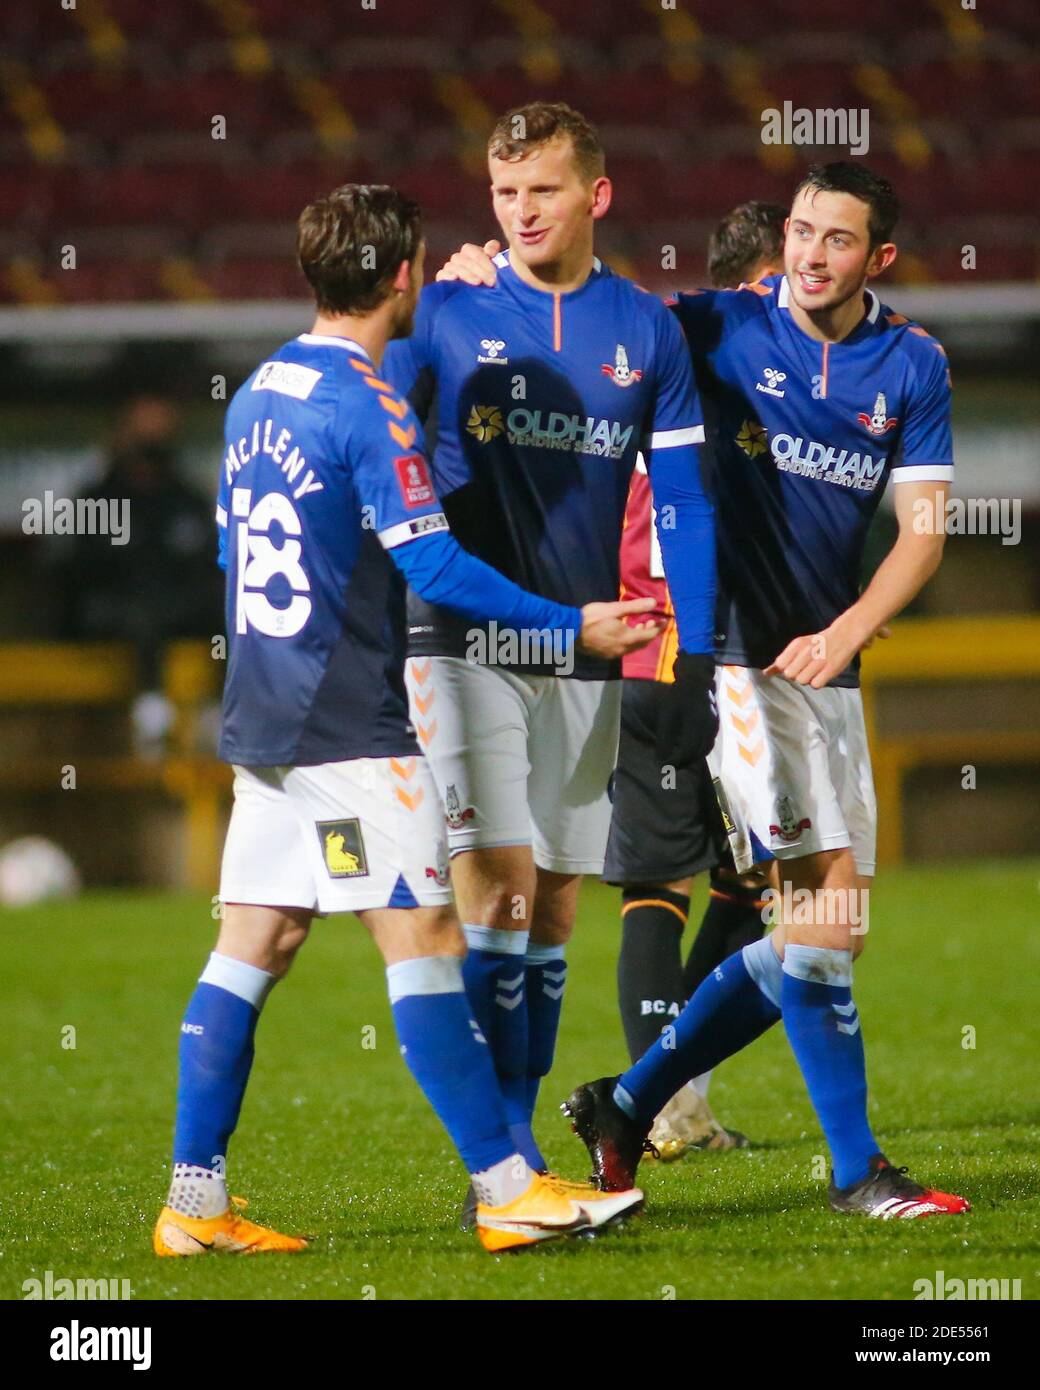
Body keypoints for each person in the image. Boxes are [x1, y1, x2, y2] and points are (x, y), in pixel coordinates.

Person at [444, 162, 971, 1218]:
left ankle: (627, 1103)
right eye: (799, 232)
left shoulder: (912, 365)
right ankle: (854, 1170)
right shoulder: (716, 325)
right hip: (734, 662)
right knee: (814, 917)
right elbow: (591, 308)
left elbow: (921, 532)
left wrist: (845, 632)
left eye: (835, 240)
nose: (810, 255)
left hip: (826, 667)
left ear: (878, 259)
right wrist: (492, 273)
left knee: (831, 928)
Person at [152, 183, 655, 1258]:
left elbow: (228, 553)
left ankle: (192, 1204)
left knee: (254, 941)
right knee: (425, 941)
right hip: (349, 726)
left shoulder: (254, 394)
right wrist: (569, 626)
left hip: (260, 714)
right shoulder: (364, 404)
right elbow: (428, 560)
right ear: (401, 275)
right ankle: (506, 1186)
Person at [382, 103, 718, 1218]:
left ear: (595, 196)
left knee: (558, 905)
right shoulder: (448, 307)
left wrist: (698, 639)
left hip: (593, 642)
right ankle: (509, 1169)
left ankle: (529, 1163)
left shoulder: (646, 328)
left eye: (540, 191)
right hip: (468, 636)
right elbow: (376, 427)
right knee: (501, 892)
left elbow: (677, 493)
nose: (518, 213)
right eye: (502, 193)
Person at [607, 201, 787, 1161]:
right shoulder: (725, 374)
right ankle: (661, 1105)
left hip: (667, 649)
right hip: (681, 652)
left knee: (743, 882)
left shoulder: (653, 361)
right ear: (756, 280)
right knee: (663, 888)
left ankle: (680, 1094)